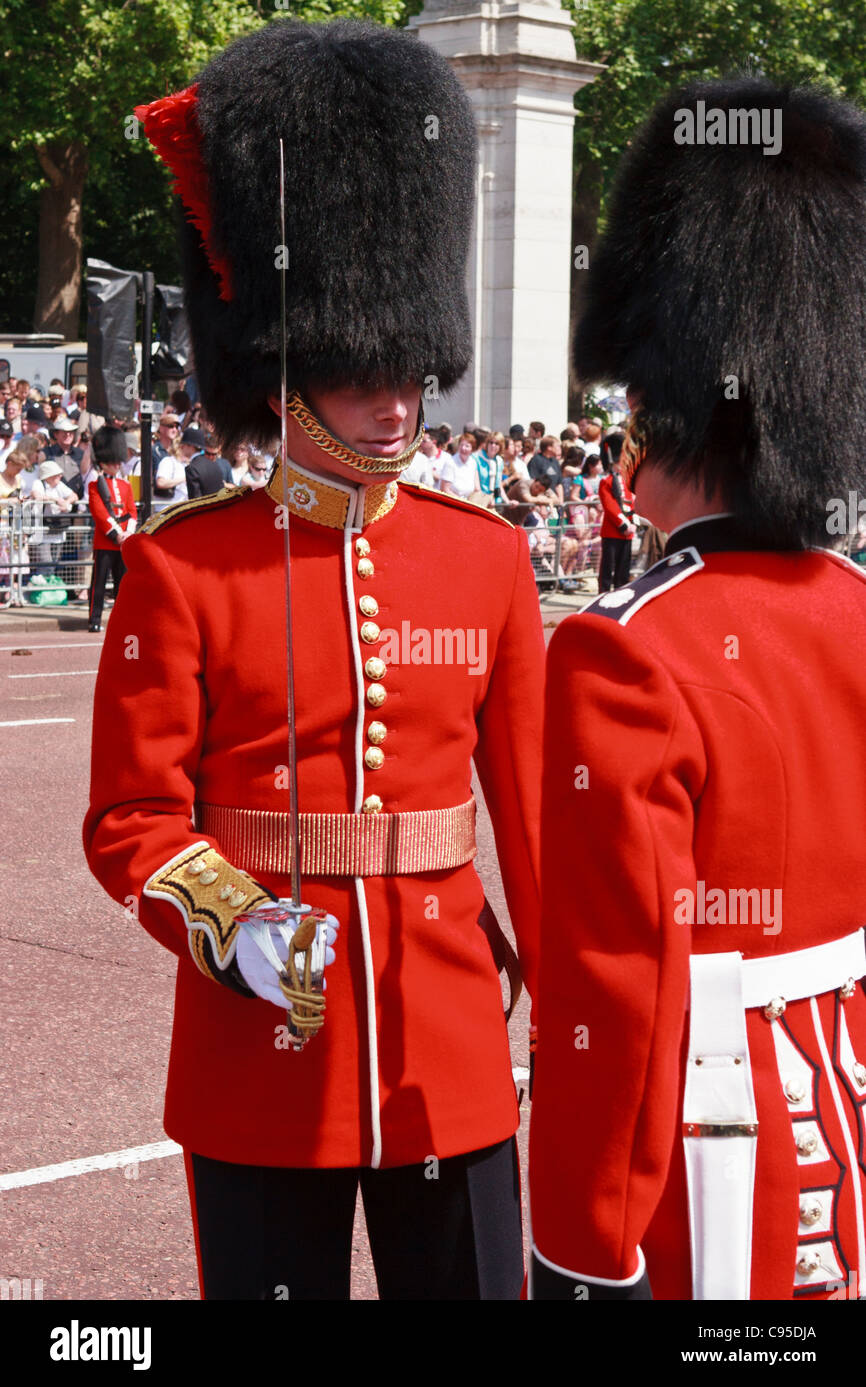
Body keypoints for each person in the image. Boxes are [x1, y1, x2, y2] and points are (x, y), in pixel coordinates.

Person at [84, 17, 542, 1303]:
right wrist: (231, 922)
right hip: (260, 1042)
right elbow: (128, 816)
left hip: (445, 1039)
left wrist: (573, 1013)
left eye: (407, 370)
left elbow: (536, 817)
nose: (395, 402)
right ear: (286, 374)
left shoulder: (486, 561)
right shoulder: (184, 568)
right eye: (356, 373)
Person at [529, 77, 866, 1302]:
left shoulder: (624, 648)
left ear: (652, 427)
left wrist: (579, 1233)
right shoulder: (852, 603)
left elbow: (618, 985)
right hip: (846, 1095)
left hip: (712, 1146)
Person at [86, 425, 136, 632]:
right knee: (98, 585)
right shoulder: (95, 485)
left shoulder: (126, 486)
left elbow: (131, 511)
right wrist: (116, 534)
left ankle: (121, 619)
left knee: (121, 586)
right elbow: (99, 513)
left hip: (123, 542)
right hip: (106, 541)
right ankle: (95, 620)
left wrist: (128, 534)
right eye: (112, 460)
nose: (116, 464)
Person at [597, 432, 636, 591]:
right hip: (613, 530)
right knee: (608, 568)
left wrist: (633, 522)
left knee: (623, 570)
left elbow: (632, 502)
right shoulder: (606, 481)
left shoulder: (627, 480)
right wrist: (624, 523)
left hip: (628, 530)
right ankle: (603, 594)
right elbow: (610, 506)